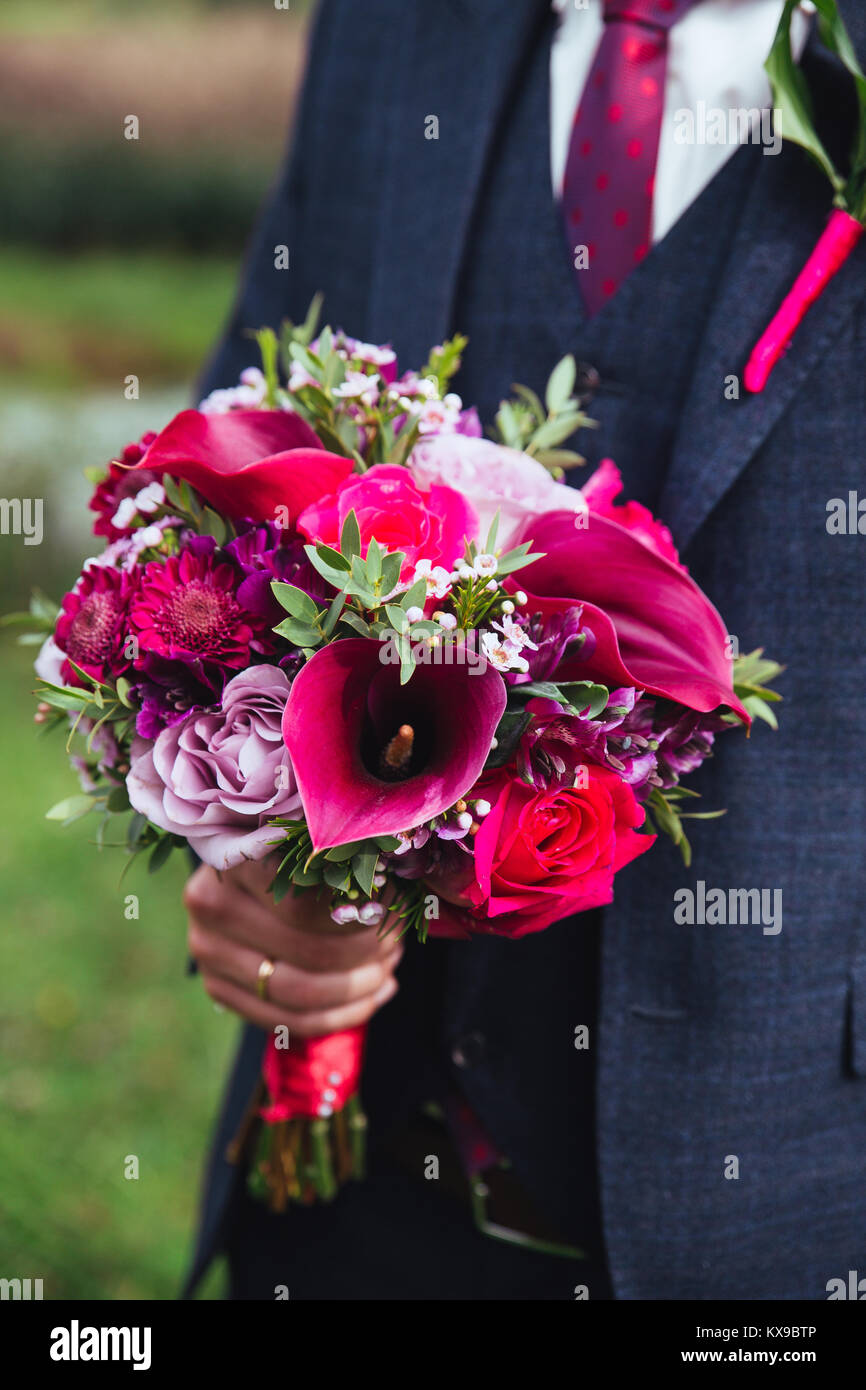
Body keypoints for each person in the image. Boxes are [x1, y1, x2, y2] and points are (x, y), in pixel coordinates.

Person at [183, 0, 866, 1300]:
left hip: (794, 1199)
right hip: (356, 1200)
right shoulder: (390, 29)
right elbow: (230, 476)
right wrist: (248, 852)